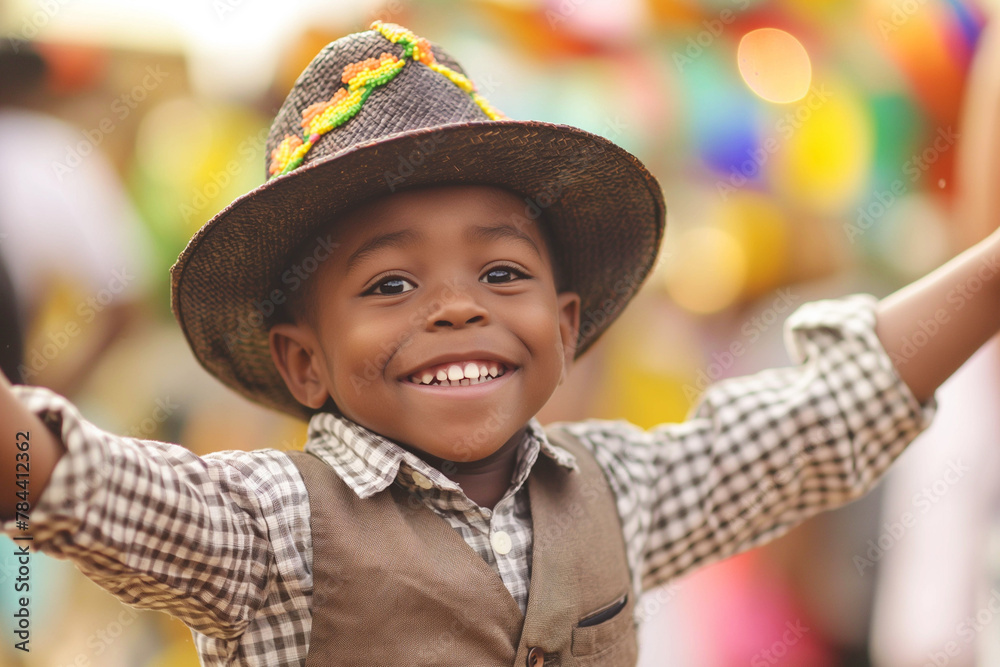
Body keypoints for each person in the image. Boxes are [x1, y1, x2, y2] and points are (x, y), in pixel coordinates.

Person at [2, 20, 990, 666]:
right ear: (304, 361)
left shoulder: (616, 490)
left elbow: (820, 418)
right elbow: (65, 478)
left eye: (502, 273)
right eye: (391, 283)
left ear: (563, 328)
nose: (456, 308)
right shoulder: (271, 528)